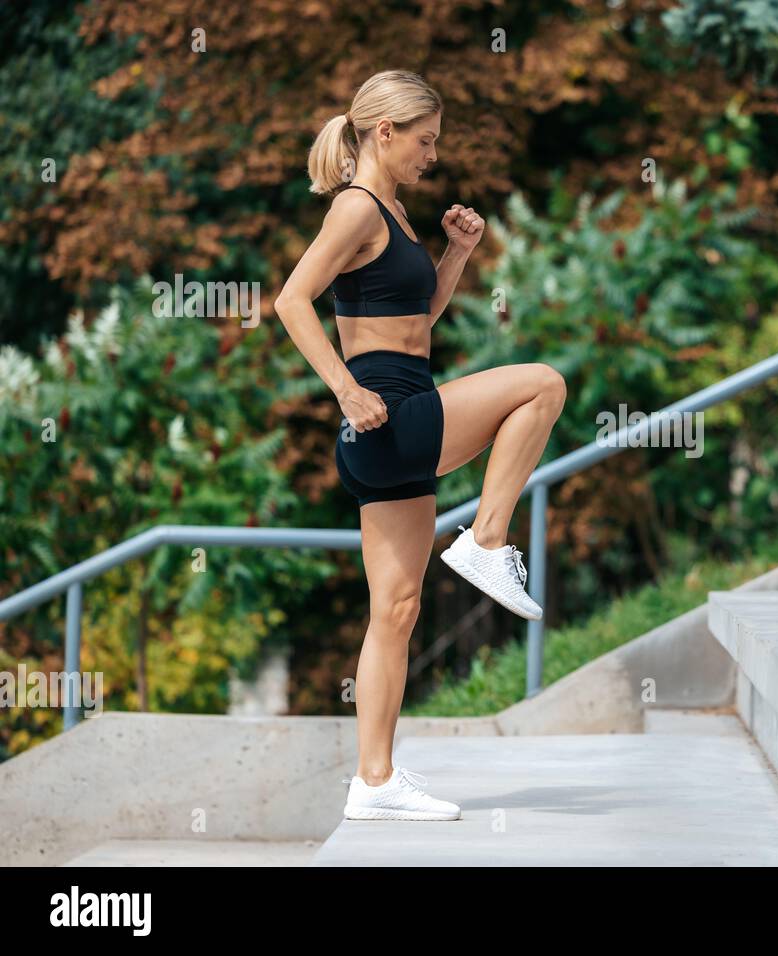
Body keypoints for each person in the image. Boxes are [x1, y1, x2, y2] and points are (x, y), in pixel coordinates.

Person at [274, 69, 566, 821]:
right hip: (384, 414)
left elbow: (413, 325)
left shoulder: (397, 214)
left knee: (395, 611)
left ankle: (373, 783)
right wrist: (343, 387)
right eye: (425, 140)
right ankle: (488, 537)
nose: (433, 155)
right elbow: (290, 299)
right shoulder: (355, 208)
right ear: (385, 132)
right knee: (541, 386)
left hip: (390, 422)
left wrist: (456, 255)